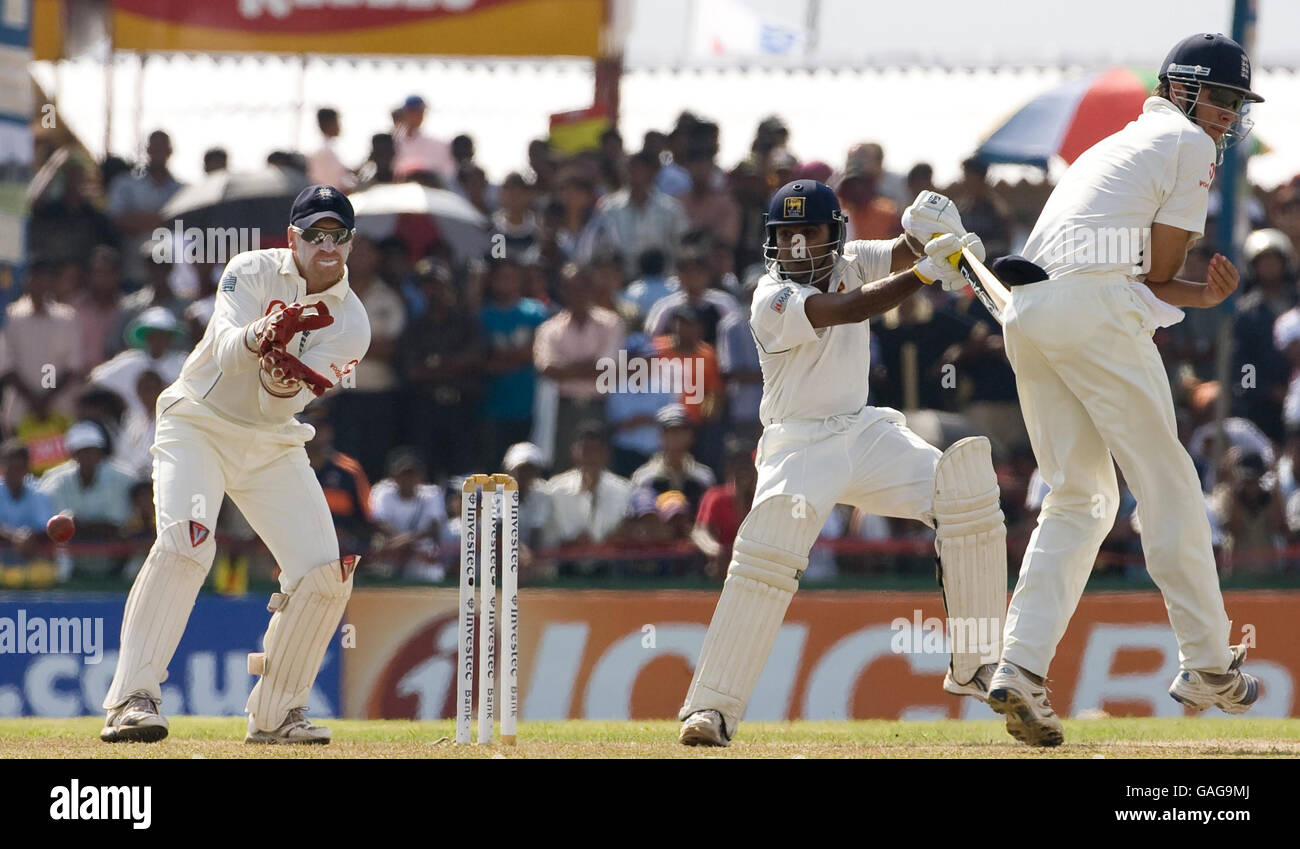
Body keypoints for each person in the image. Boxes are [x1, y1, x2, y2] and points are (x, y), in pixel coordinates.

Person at [988, 33, 1264, 747]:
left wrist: (1198, 294)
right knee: (1169, 480)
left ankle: (1020, 666)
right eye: (1219, 98)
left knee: (1080, 497)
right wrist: (1201, 293)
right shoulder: (1189, 144)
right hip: (1093, 309)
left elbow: (1142, 272)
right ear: (1180, 89)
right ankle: (1208, 662)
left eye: (1235, 102)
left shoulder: (1110, 147)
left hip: (1030, 310)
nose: (1227, 115)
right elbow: (1157, 273)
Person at [678, 179, 1004, 747]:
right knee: (766, 557)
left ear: (834, 234)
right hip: (798, 444)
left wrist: (930, 227)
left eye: (809, 232)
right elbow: (850, 307)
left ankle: (977, 663)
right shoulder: (770, 297)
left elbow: (901, 250)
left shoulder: (853, 259)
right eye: (787, 234)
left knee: (965, 490)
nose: (797, 245)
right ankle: (710, 709)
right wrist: (928, 271)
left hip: (863, 431)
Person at [99, 184, 371, 745]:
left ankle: (277, 714)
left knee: (325, 574)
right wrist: (261, 334)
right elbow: (225, 349)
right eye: (315, 234)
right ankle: (132, 700)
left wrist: (280, 370)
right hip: (197, 421)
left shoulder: (353, 324)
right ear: (293, 237)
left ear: (350, 242)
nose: (326, 246)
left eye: (337, 235)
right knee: (188, 541)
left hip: (272, 441)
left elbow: (278, 403)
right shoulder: (251, 270)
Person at [307, 108, 356, 191]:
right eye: (337, 122)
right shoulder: (325, 151)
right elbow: (333, 184)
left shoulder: (328, 148)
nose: (340, 127)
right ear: (328, 124)